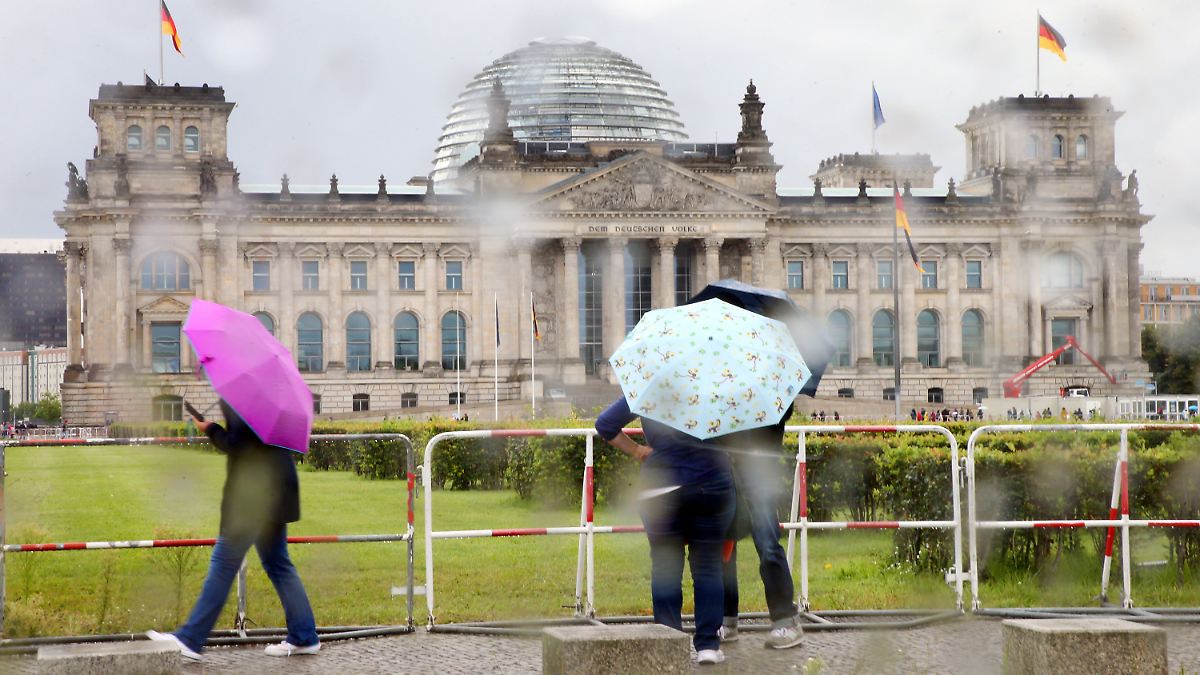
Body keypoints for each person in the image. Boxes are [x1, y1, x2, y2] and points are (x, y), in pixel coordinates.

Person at [148, 400, 319, 662]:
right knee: (278, 563)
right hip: (277, 486)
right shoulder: (267, 394)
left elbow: (237, 444)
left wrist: (211, 429)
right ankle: (304, 636)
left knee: (225, 562)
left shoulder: (243, 397)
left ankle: (191, 639)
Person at [596, 396, 735, 665]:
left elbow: (605, 424)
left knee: (665, 564)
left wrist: (637, 451)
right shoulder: (719, 384)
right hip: (711, 482)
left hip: (660, 486)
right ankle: (708, 645)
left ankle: (669, 644)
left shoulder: (650, 385)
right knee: (708, 566)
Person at [714, 404, 804, 650]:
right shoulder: (726, 389)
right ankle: (726, 619)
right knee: (724, 548)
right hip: (728, 473)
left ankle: (786, 620)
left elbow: (782, 413)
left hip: (759, 478)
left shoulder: (771, 391)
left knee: (767, 544)